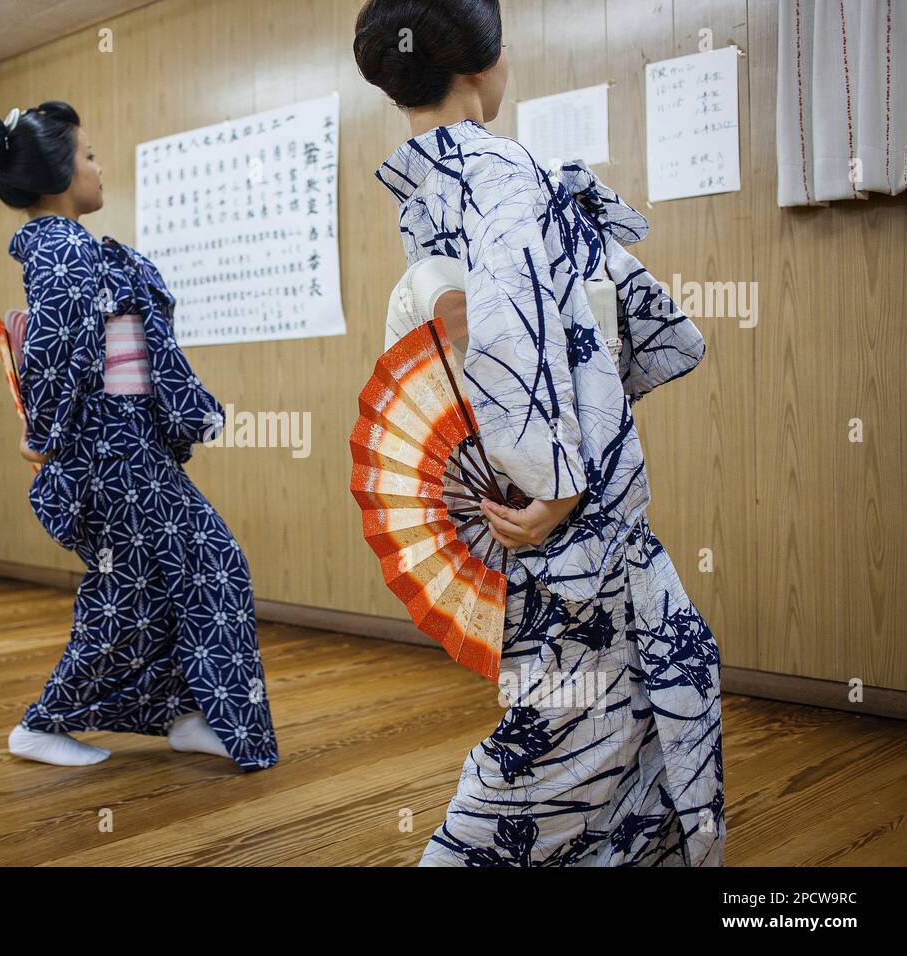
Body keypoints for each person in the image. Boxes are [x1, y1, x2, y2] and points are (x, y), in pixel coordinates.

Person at [355, 0, 725, 865]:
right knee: (565, 726)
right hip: (562, 487)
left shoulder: (430, 180)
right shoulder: (499, 172)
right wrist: (555, 476)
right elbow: (512, 321)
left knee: (626, 689)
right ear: (485, 63)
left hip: (514, 471)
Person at [0, 102, 278, 770]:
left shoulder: (67, 247)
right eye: (88, 156)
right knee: (169, 576)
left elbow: (67, 345)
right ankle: (47, 721)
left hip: (126, 442)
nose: (98, 168)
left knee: (165, 578)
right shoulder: (62, 249)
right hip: (109, 447)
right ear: (57, 172)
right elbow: (55, 348)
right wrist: (44, 436)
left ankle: (187, 711)